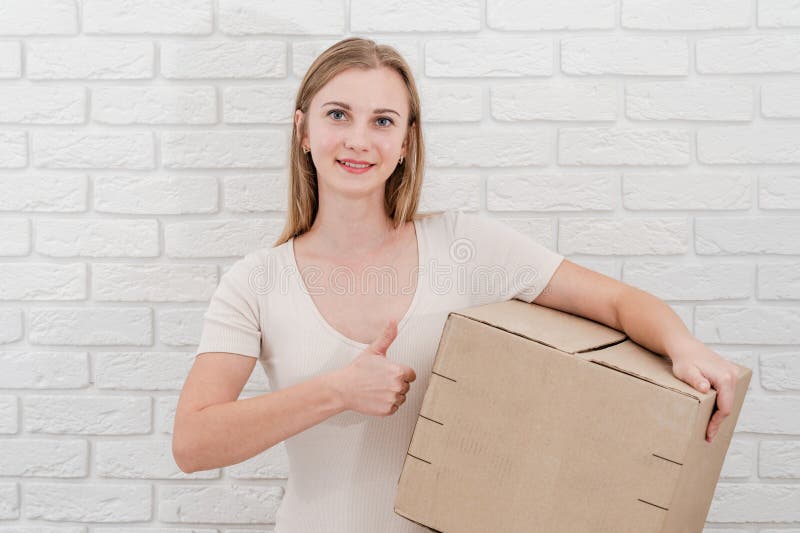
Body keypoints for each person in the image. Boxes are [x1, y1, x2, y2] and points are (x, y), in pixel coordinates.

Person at [172, 37, 741, 532]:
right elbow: (193, 443)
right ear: (303, 130)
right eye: (338, 115)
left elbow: (618, 302)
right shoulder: (257, 282)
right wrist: (338, 391)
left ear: (405, 142)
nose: (358, 139)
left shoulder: (464, 247)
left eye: (383, 121)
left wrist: (681, 344)